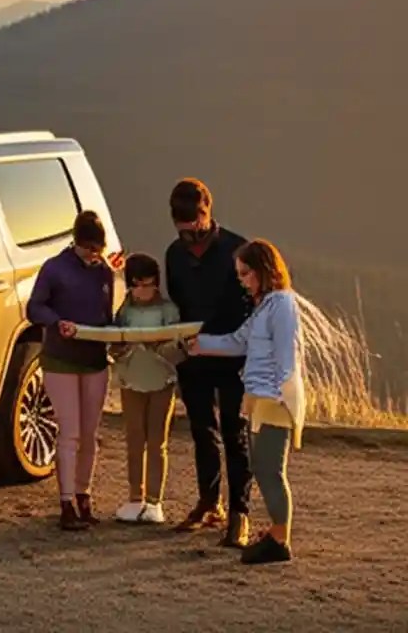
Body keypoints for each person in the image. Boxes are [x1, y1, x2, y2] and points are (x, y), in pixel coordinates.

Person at [186, 239, 304, 564]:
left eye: (245, 273)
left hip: (273, 399)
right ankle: (277, 533)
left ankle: (280, 539)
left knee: (270, 471)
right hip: (259, 397)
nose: (242, 279)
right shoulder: (266, 306)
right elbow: (238, 341)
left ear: (263, 270)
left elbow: (286, 355)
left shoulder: (281, 305)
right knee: (264, 468)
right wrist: (199, 345)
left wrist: (280, 394)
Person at [164, 178, 255, 547]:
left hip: (234, 357)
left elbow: (252, 304)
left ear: (207, 213)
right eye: (182, 229)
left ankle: (240, 513)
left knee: (235, 435)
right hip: (194, 358)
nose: (190, 235)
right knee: (202, 431)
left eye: (195, 226)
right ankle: (209, 501)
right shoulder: (174, 254)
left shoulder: (238, 249)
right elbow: (177, 302)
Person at [26, 210, 122, 531]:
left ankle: (84, 494)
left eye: (98, 250)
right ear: (77, 242)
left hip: (94, 359)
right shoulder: (54, 268)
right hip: (61, 359)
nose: (94, 256)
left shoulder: (104, 272)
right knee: (70, 432)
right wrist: (57, 323)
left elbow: (105, 316)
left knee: (90, 435)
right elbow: (35, 307)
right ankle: (66, 500)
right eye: (88, 249)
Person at [109, 253, 183, 525]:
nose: (143, 291)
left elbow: (180, 348)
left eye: (149, 285)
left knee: (157, 442)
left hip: (161, 381)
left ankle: (154, 501)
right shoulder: (124, 311)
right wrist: (120, 347)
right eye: (137, 285)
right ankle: (134, 497)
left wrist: (159, 346)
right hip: (131, 379)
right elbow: (113, 344)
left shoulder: (168, 310)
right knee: (133, 440)